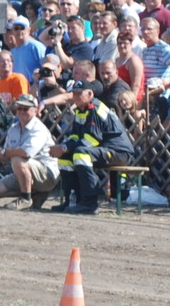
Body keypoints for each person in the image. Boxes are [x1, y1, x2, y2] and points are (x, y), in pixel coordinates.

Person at [51, 79, 135, 212]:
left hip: (120, 153)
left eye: (79, 93)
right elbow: (75, 136)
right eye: (74, 94)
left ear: (90, 94)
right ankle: (72, 201)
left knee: (81, 153)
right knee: (64, 158)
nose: (76, 97)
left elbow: (92, 140)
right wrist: (64, 148)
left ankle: (90, 203)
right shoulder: (80, 110)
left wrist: (64, 148)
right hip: (104, 150)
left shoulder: (95, 109)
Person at [0, 93, 61, 206]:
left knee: (18, 159)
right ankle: (35, 194)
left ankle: (25, 199)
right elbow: (9, 154)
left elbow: (26, 153)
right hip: (25, 171)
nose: (21, 111)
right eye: (19, 108)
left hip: (47, 174)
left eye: (26, 108)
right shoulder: (13, 129)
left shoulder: (38, 128)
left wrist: (4, 152)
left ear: (35, 111)